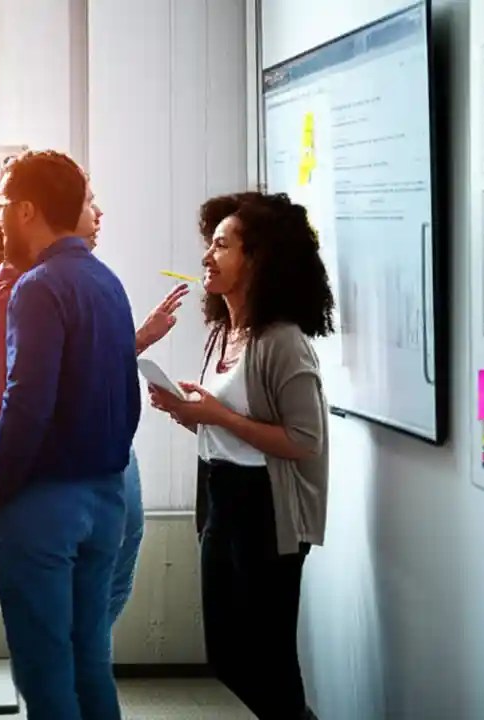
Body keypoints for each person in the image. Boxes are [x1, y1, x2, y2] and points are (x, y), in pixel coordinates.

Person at [147, 192, 332, 720]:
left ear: (257, 260)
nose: (207, 256)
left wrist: (218, 416)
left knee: (268, 663)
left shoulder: (283, 342)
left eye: (222, 245)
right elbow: (225, 429)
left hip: (267, 510)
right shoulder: (224, 332)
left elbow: (304, 441)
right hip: (221, 500)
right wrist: (188, 413)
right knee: (227, 657)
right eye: (211, 244)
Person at [0, 171, 188, 624]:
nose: (98, 213)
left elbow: (81, 371)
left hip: (101, 462)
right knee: (73, 617)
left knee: (97, 599)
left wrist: (138, 340)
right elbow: (7, 399)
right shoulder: (25, 287)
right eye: (88, 201)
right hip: (66, 470)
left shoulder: (87, 280)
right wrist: (2, 487)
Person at [0, 149, 140, 720]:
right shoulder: (108, 281)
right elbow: (126, 399)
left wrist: (1, 483)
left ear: (26, 210)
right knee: (89, 659)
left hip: (44, 502)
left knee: (44, 669)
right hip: (106, 499)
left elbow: (26, 401)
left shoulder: (38, 287)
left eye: (2, 204)